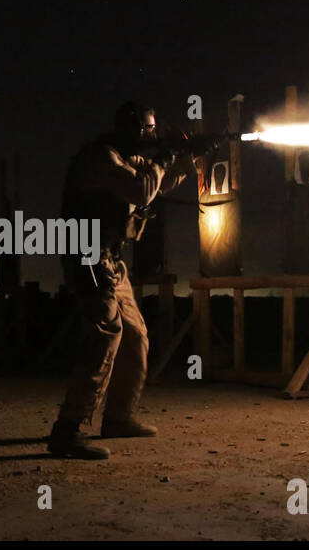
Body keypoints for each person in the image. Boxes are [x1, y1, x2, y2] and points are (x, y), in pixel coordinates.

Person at [48, 102, 198, 459]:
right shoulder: (101, 158)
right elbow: (142, 192)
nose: (152, 135)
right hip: (86, 254)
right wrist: (165, 157)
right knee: (105, 336)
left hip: (110, 259)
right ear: (129, 128)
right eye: (147, 129)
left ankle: (117, 418)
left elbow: (163, 183)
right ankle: (68, 431)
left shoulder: (130, 159)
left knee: (135, 337)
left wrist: (187, 157)